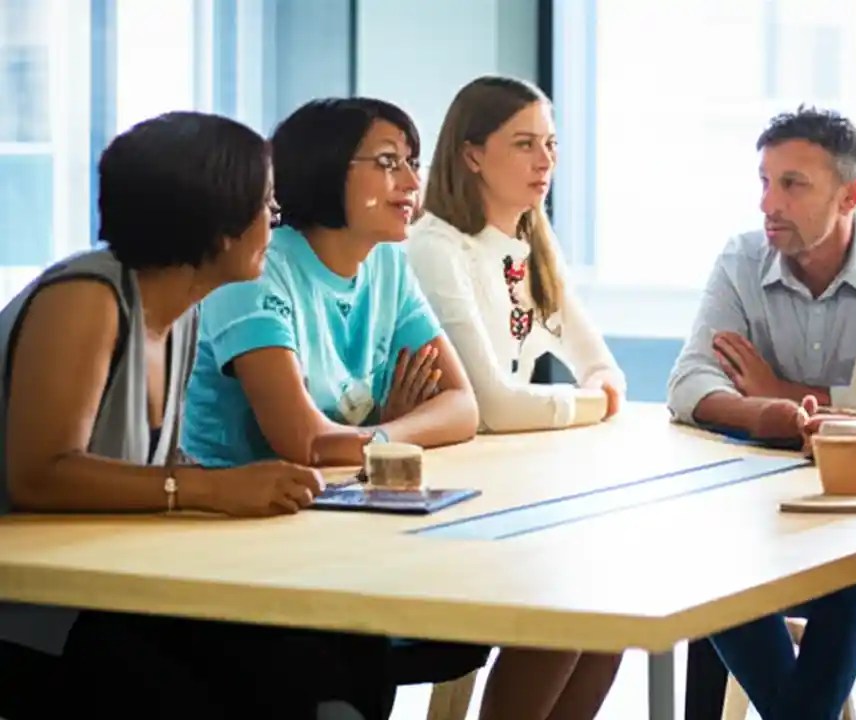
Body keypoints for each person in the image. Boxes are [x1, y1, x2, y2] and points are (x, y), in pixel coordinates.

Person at [182, 97, 618, 720]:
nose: (413, 183)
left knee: (587, 610)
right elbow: (302, 439)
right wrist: (378, 436)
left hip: (347, 526)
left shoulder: (385, 261)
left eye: (411, 163)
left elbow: (461, 406)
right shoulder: (259, 269)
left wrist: (372, 434)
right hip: (250, 555)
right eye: (389, 163)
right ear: (326, 169)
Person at [0, 111, 331, 718]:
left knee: (330, 651)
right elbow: (40, 476)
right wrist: (213, 488)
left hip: (103, 587)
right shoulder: (86, 299)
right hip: (34, 615)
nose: (273, 223)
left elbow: (141, 467)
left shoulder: (182, 309)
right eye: (266, 206)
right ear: (219, 224)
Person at [667, 107, 856, 719]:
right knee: (713, 569)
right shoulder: (742, 258)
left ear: (852, 194)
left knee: (850, 576)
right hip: (761, 506)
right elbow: (689, 383)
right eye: (765, 181)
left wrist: (780, 391)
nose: (770, 203)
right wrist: (767, 412)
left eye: (793, 185)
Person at [406, 75, 625, 433]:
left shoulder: (535, 240)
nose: (545, 161)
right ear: (472, 156)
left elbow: (602, 370)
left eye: (551, 144)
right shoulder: (435, 248)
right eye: (525, 145)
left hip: (510, 457)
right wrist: (595, 402)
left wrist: (599, 392)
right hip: (447, 466)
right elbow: (492, 409)